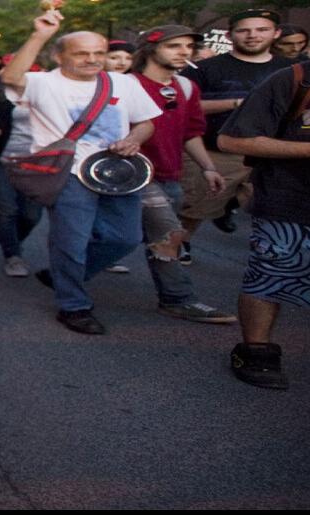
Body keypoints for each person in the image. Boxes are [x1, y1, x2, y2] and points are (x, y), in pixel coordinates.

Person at [1, 8, 160, 335]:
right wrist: (39, 34)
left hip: (118, 172)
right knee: (71, 243)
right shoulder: (42, 83)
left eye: (99, 53)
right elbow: (11, 79)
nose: (92, 59)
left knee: (125, 237)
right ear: (59, 56)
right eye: (82, 53)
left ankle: (64, 275)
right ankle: (73, 305)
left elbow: (146, 122)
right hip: (68, 174)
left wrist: (133, 138)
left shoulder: (121, 82)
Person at [217, 59, 310, 390]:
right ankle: (256, 351)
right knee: (269, 277)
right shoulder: (298, 79)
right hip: (292, 202)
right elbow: (232, 140)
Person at [129, 25, 236, 324]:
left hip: (170, 175)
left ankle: (67, 273)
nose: (184, 52)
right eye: (174, 46)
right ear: (151, 48)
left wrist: (208, 168)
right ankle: (179, 299)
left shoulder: (187, 87)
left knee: (127, 237)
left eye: (188, 47)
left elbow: (191, 133)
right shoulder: (126, 84)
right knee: (168, 234)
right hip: (136, 176)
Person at [179, 9, 292, 261]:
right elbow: (182, 106)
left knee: (276, 209)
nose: (252, 36)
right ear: (230, 35)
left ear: (276, 33)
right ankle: (177, 245)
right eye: (244, 30)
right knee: (194, 209)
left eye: (262, 29)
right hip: (214, 151)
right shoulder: (203, 68)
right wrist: (240, 103)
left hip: (273, 152)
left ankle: (276, 258)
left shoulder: (292, 68)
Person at [0, 84, 43, 278]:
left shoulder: (50, 96)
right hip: (0, 161)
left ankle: (12, 241)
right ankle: (13, 256)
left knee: (31, 216)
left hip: (36, 166)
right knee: (6, 209)